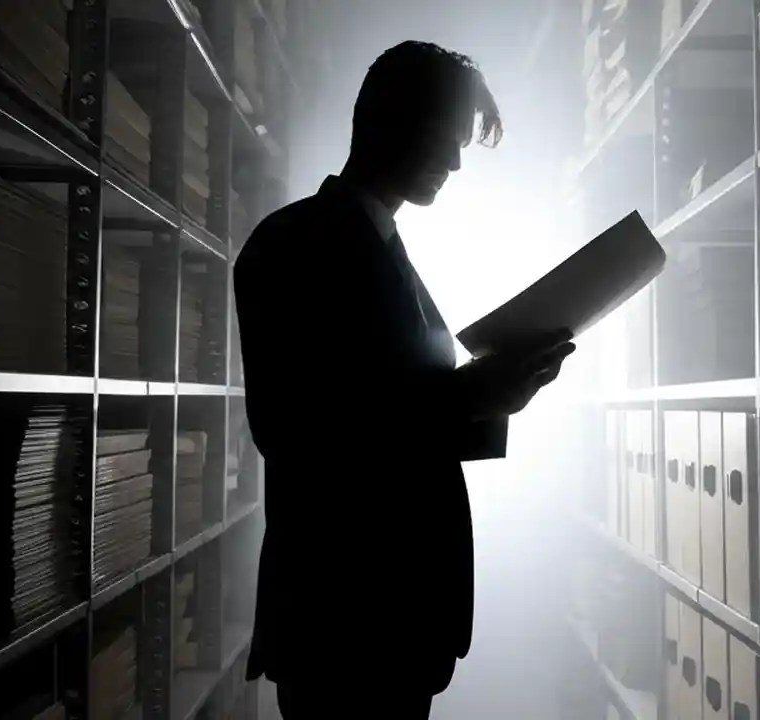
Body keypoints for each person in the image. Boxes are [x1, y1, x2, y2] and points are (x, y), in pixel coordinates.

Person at [233, 40, 576, 718]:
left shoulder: (381, 242)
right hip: (345, 619)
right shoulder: (291, 245)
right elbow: (297, 429)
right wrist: (478, 394)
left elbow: (388, 406)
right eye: (445, 141)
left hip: (391, 621)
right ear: (389, 121)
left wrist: (499, 392)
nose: (453, 163)